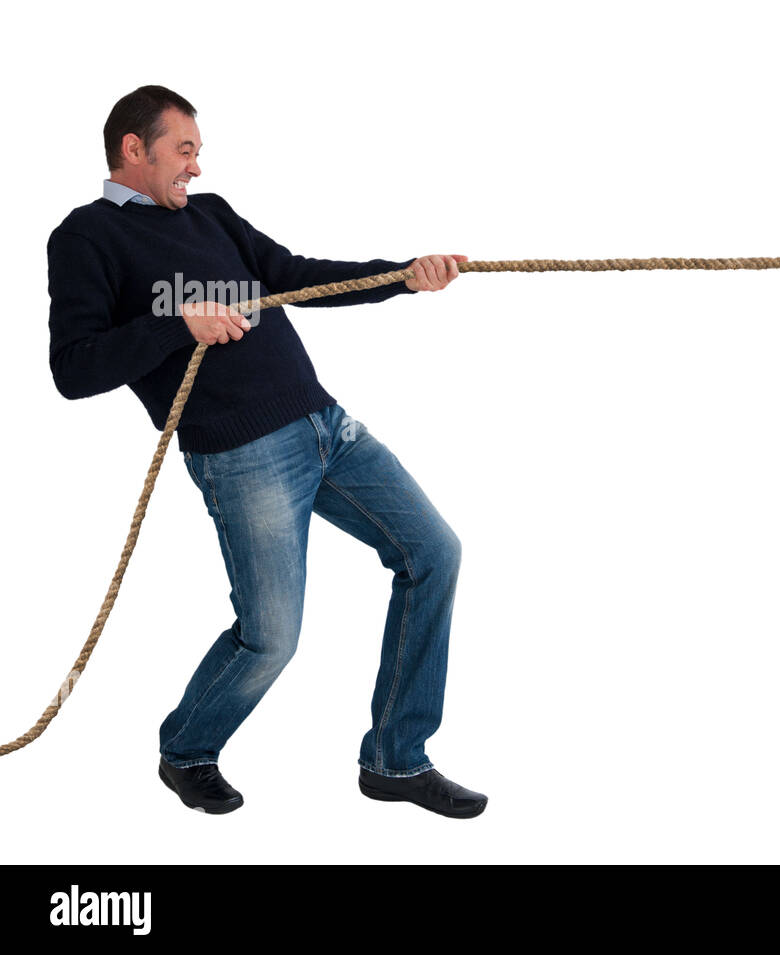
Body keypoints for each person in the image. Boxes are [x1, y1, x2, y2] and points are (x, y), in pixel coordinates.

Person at [46, 85, 486, 819]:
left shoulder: (212, 214)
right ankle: (188, 748)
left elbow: (294, 277)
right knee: (272, 638)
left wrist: (402, 275)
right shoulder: (85, 236)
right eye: (184, 149)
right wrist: (179, 324)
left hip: (326, 426)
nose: (196, 165)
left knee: (434, 552)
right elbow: (73, 368)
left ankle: (396, 760)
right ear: (134, 147)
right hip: (242, 456)